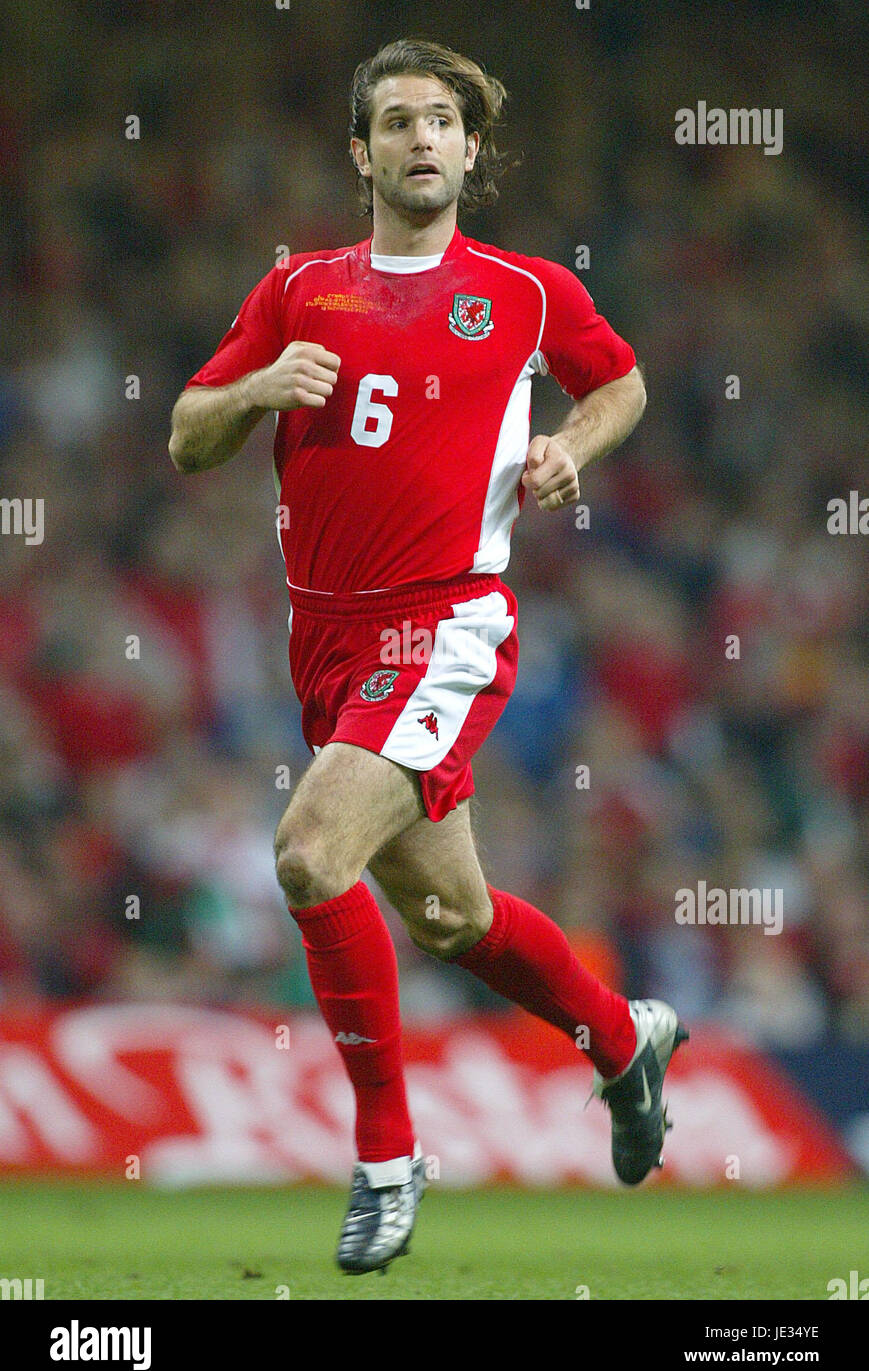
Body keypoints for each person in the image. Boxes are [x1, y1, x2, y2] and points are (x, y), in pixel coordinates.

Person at [168, 36, 687, 1275]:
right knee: (450, 915)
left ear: (468, 148)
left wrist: (569, 447)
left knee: (306, 855)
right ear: (361, 152)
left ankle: (386, 1162)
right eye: (395, 121)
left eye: (440, 121)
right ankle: (624, 1041)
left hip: (445, 621)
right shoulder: (297, 291)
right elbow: (189, 436)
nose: (419, 139)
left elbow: (620, 387)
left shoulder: (521, 293)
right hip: (323, 638)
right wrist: (252, 394)